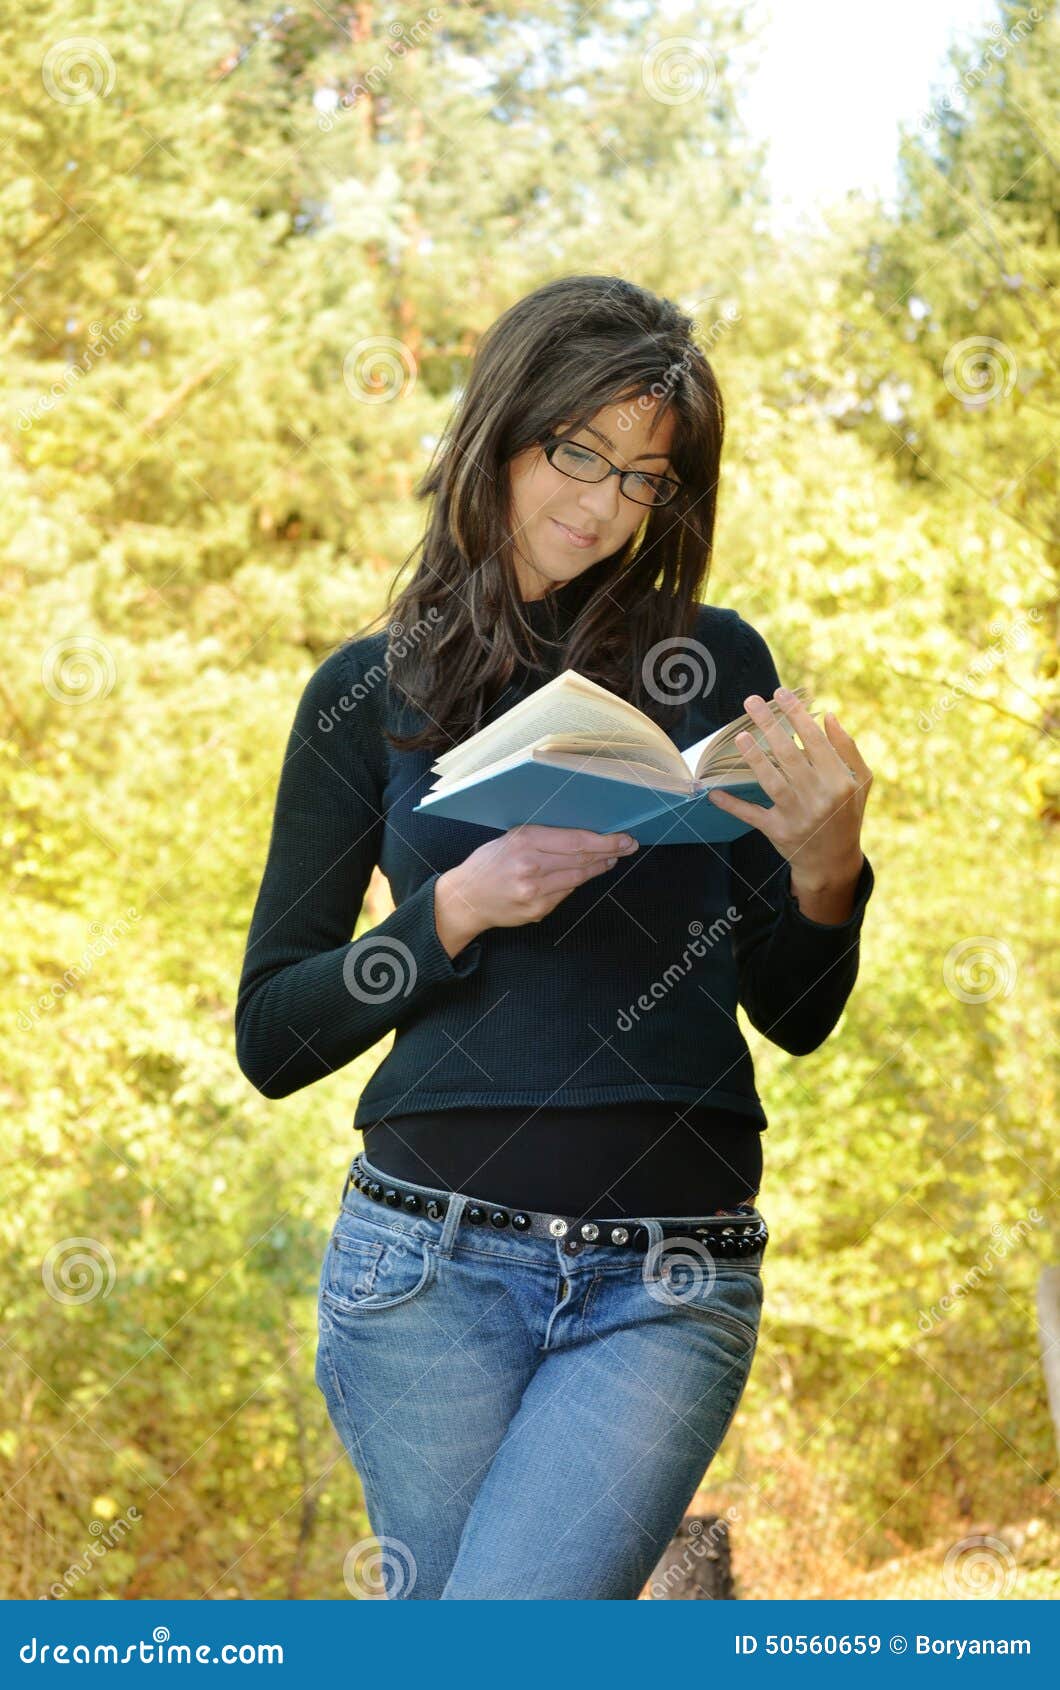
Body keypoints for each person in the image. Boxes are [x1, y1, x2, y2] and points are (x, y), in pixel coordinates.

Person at [235, 274, 875, 1600]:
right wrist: (455, 910)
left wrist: (828, 868)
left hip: (669, 1276)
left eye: (645, 477)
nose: (603, 503)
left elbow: (796, 1013)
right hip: (424, 1271)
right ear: (500, 432)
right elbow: (274, 1035)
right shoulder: (366, 690)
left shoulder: (715, 662)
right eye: (577, 452)